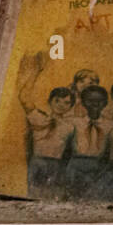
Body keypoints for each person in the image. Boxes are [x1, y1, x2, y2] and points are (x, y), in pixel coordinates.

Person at [17, 52, 75, 199]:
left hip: (56, 165)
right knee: (33, 195)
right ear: (50, 101)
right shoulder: (39, 118)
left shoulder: (69, 126)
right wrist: (37, 70)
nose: (61, 105)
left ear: (71, 106)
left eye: (67, 103)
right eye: (58, 101)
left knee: (50, 197)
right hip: (38, 161)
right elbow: (24, 97)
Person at [63, 85, 111, 199]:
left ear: (105, 103)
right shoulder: (73, 122)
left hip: (98, 165)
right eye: (90, 101)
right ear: (83, 103)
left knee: (94, 197)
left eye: (100, 101)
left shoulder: (111, 125)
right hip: (76, 164)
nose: (95, 104)